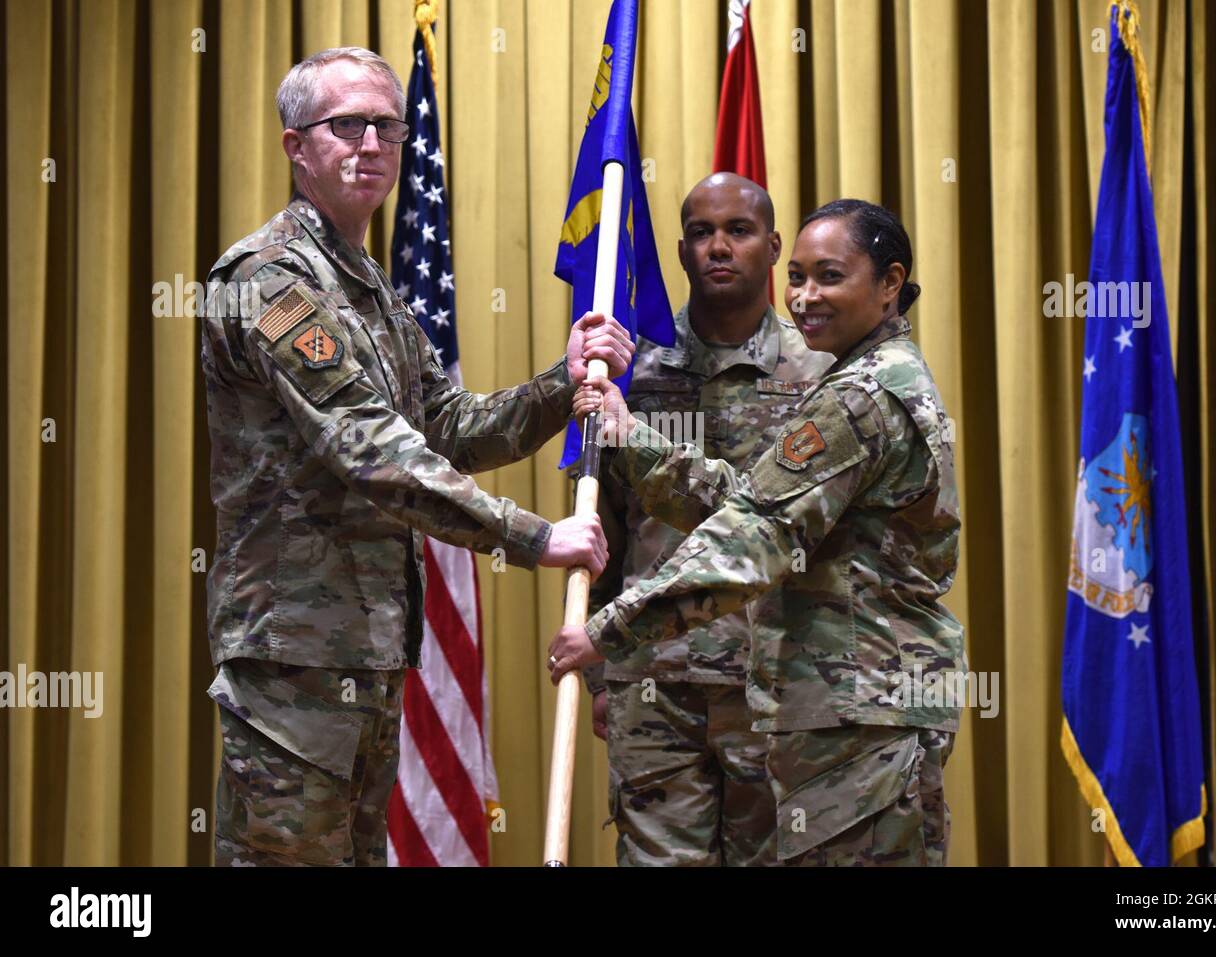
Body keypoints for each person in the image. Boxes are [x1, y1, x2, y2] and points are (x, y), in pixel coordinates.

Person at [200, 47, 633, 866]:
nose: (370, 143)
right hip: (292, 660)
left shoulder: (371, 291)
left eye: (386, 126)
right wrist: (534, 537)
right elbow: (370, 447)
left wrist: (560, 382)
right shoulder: (267, 280)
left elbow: (450, 427)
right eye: (346, 125)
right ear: (296, 147)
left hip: (366, 649)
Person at [551, 199, 965, 867]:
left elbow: (755, 533)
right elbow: (753, 502)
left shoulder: (861, 397)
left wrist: (606, 633)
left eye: (829, 276)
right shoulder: (872, 379)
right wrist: (632, 439)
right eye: (797, 277)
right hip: (850, 708)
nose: (805, 297)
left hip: (859, 717)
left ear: (889, 283)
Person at [581, 173, 834, 866]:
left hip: (779, 684)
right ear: (682, 251)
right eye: (701, 233)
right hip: (656, 688)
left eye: (739, 231)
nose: (718, 246)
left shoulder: (822, 375)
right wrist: (602, 673)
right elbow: (602, 532)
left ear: (774, 246)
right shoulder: (634, 373)